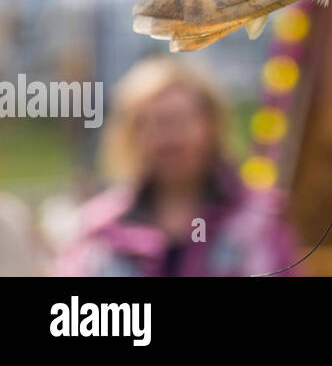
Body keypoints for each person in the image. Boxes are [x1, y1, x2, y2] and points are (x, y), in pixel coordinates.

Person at [55, 56, 298, 277]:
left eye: (179, 121)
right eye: (151, 124)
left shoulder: (256, 222)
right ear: (129, 136)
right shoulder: (99, 230)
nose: (168, 138)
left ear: (211, 126)